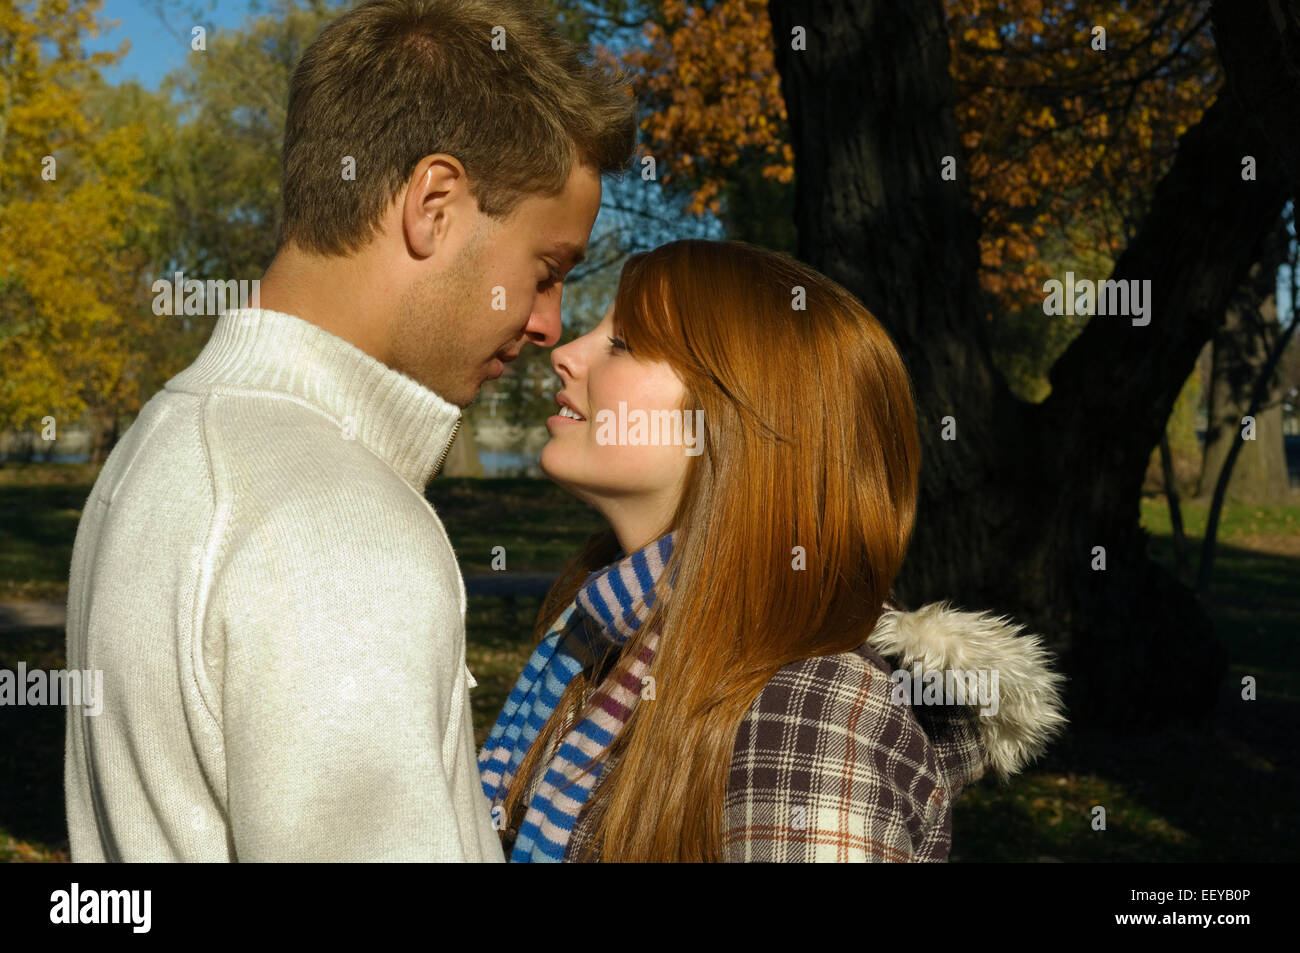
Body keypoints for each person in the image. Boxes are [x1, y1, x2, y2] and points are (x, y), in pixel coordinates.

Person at [64, 0, 635, 861]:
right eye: (546, 269)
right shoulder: (337, 525)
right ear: (434, 204)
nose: (549, 324)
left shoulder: (159, 446)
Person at [478, 239, 1070, 862]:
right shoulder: (606, 639)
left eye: (622, 342)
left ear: (743, 418)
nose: (564, 354)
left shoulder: (814, 715)